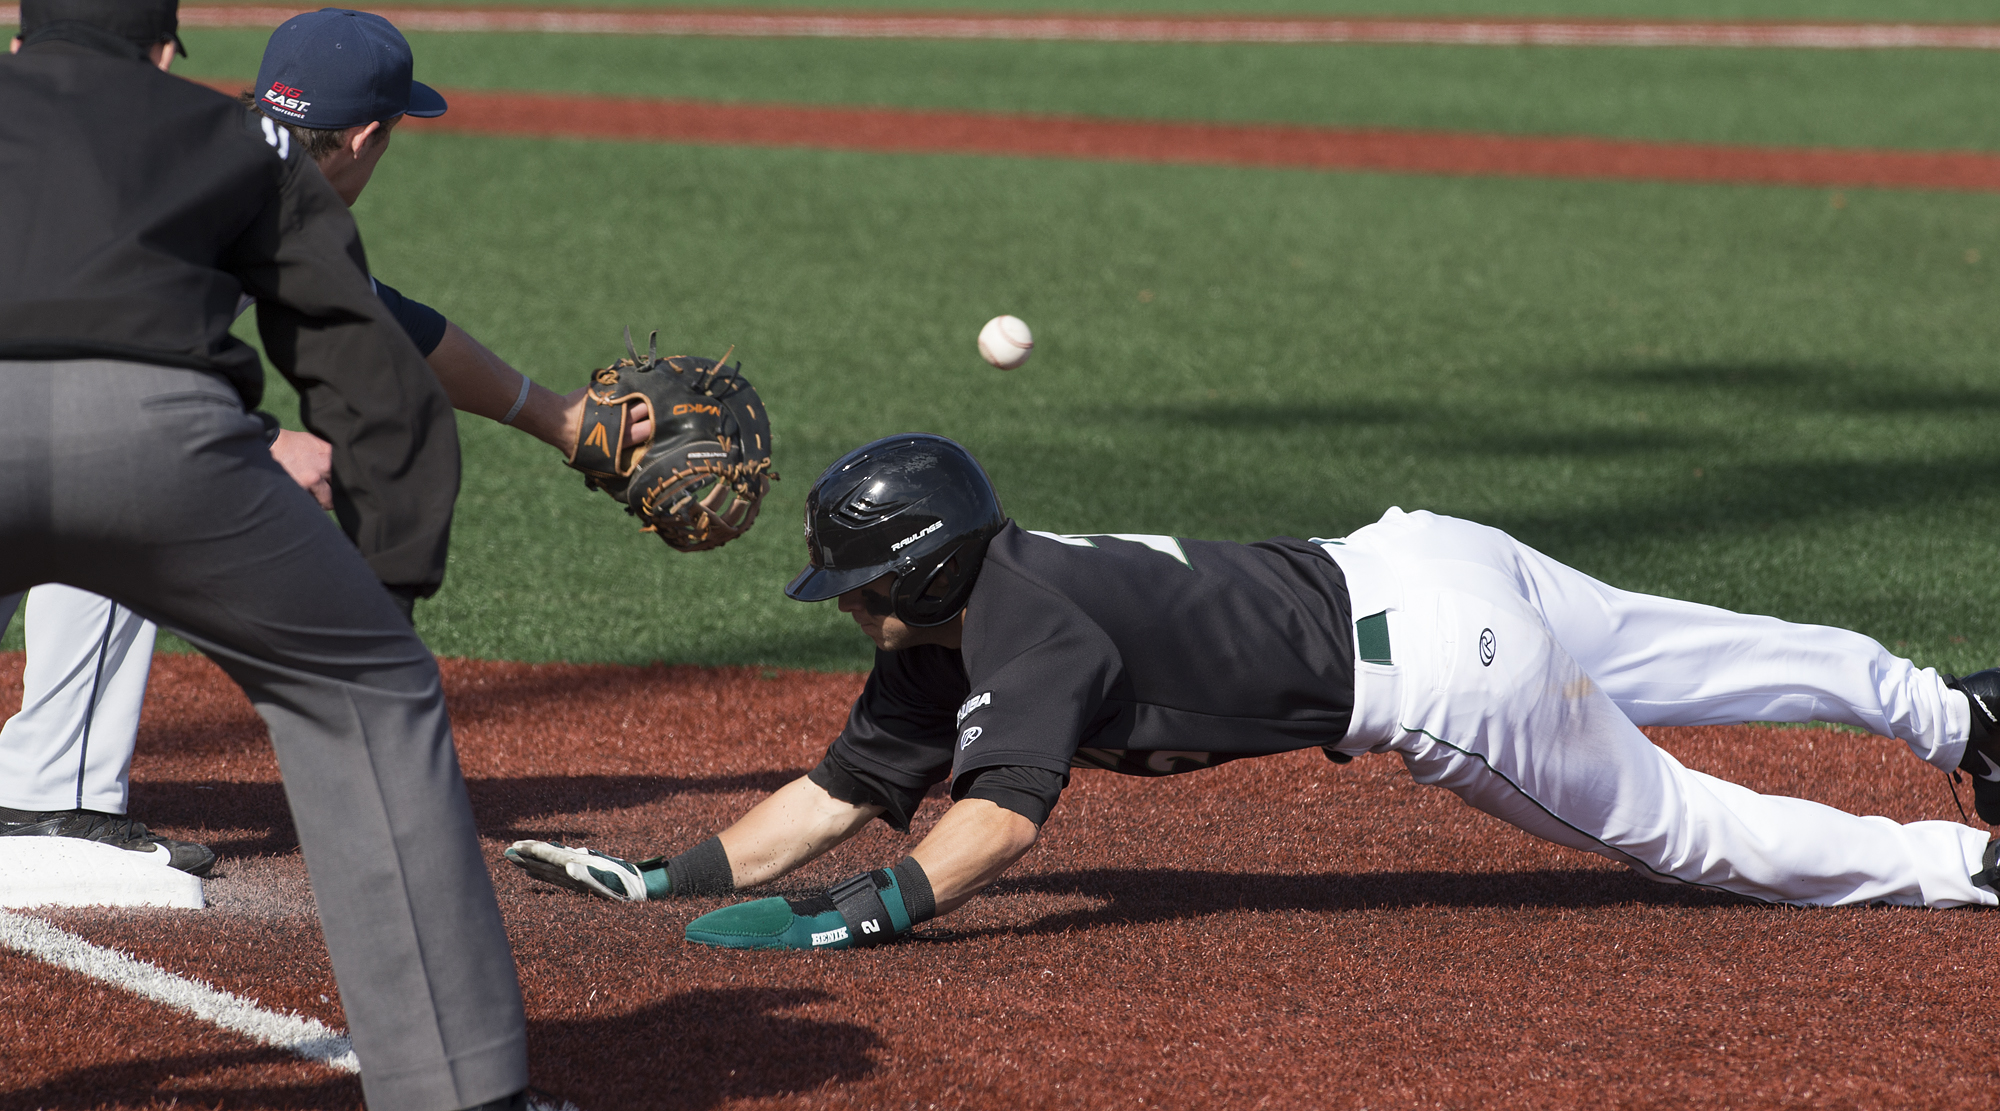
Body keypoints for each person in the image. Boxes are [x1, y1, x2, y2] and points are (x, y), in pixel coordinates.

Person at [508, 432, 2000, 948]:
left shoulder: (1028, 631)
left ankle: (1966, 863)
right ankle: (1959, 713)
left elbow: (999, 822)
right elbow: (844, 788)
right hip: (1427, 555)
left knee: (1679, 820)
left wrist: (860, 914)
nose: (850, 606)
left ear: (926, 567)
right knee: (1709, 646)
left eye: (859, 582)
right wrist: (664, 875)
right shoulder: (951, 620)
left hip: (1448, 676)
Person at [0, 1, 528, 1107]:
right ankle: (455, 1089)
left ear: (17, 40)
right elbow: (366, 368)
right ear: (163, 53)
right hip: (158, 449)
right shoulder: (227, 140)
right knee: (369, 690)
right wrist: (384, 592)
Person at [0, 7, 647, 878]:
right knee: (119, 484)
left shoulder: (198, 147)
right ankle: (48, 796)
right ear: (368, 138)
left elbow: (392, 325)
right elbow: (102, 364)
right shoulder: (244, 180)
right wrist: (259, 443)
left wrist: (560, 420)